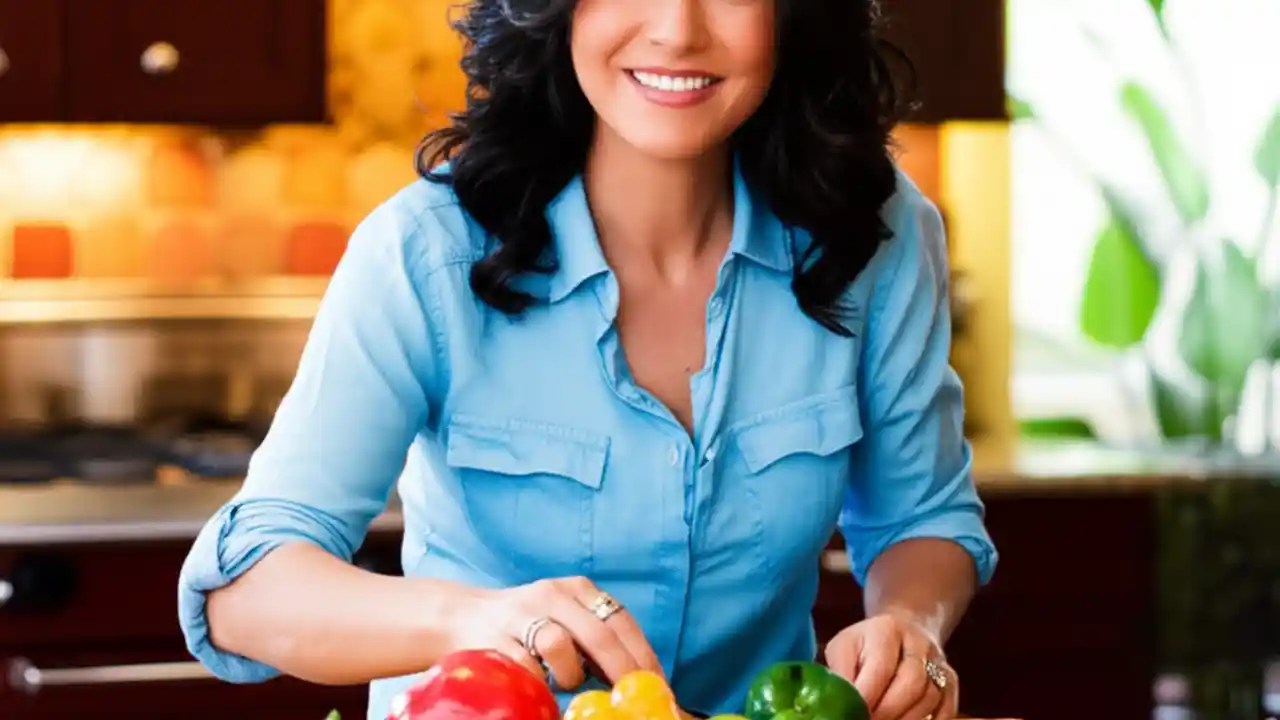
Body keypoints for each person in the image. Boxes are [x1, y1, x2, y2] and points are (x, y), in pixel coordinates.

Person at [177, 0, 997, 718]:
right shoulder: (425, 252)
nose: (678, 29)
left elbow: (921, 518)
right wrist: (468, 620)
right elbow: (244, 593)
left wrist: (910, 627)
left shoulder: (877, 234)